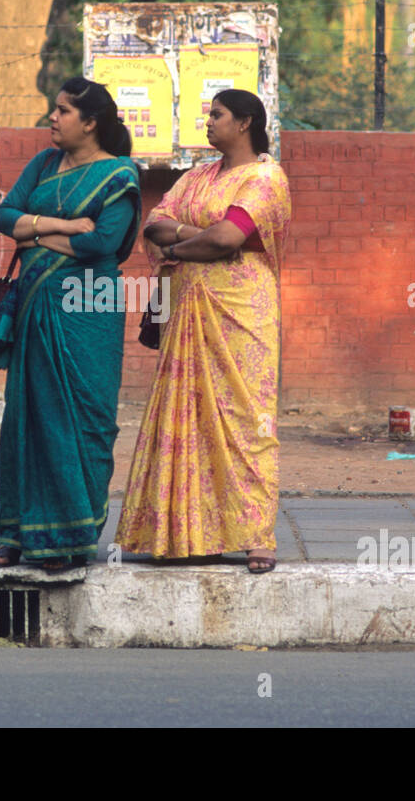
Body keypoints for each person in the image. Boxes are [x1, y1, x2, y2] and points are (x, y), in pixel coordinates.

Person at [114, 89, 290, 574]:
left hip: (240, 314)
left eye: (216, 114)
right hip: (187, 308)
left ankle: (256, 535)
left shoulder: (266, 177)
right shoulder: (197, 176)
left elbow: (228, 238)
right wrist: (199, 238)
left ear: (245, 122)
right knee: (187, 416)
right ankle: (190, 534)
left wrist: (188, 239)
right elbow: (154, 224)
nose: (208, 122)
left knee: (242, 421)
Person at [0, 78, 141, 572]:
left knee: (85, 419)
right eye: (54, 110)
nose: (52, 118)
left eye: (63, 111)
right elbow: (4, 216)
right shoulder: (44, 164)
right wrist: (65, 226)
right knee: (25, 418)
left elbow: (104, 245)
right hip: (35, 307)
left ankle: (71, 537)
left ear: (90, 123)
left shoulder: (119, 176)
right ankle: (15, 534)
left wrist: (34, 236)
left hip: (89, 310)